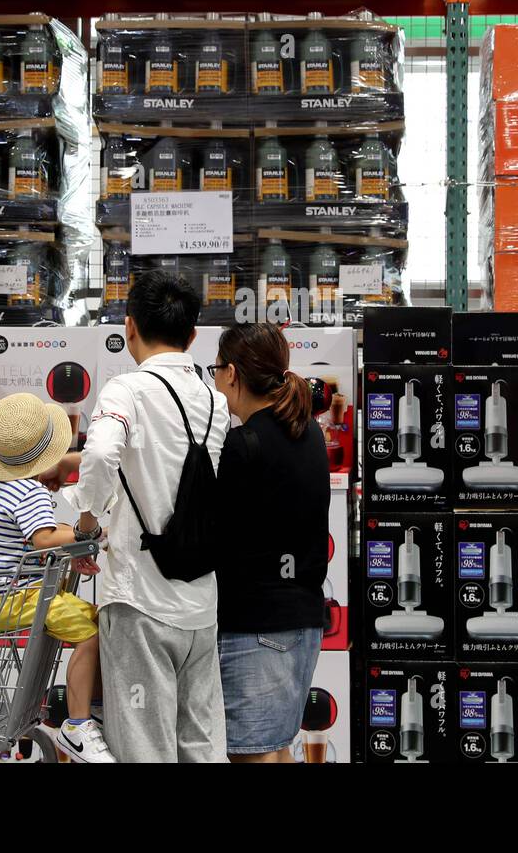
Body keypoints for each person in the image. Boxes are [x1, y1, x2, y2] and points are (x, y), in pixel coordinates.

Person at [42, 271, 231, 763]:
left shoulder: (127, 389)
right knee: (201, 743)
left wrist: (86, 525)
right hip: (201, 601)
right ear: (192, 336)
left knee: (145, 746)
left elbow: (102, 454)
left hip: (140, 598)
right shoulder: (215, 399)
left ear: (129, 327)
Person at [208, 323, 329, 763]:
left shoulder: (244, 444)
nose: (215, 379)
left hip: (256, 623)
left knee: (251, 755)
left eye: (216, 370)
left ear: (232, 374)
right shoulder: (309, 432)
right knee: (276, 750)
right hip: (303, 619)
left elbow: (215, 532)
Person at [0, 391, 115, 763]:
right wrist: (89, 534)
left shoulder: (6, 488)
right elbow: (44, 538)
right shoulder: (30, 490)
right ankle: (79, 724)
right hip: (19, 596)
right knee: (94, 630)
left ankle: (92, 710)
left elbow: (42, 537)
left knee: (96, 621)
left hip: (4, 596)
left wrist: (73, 549)